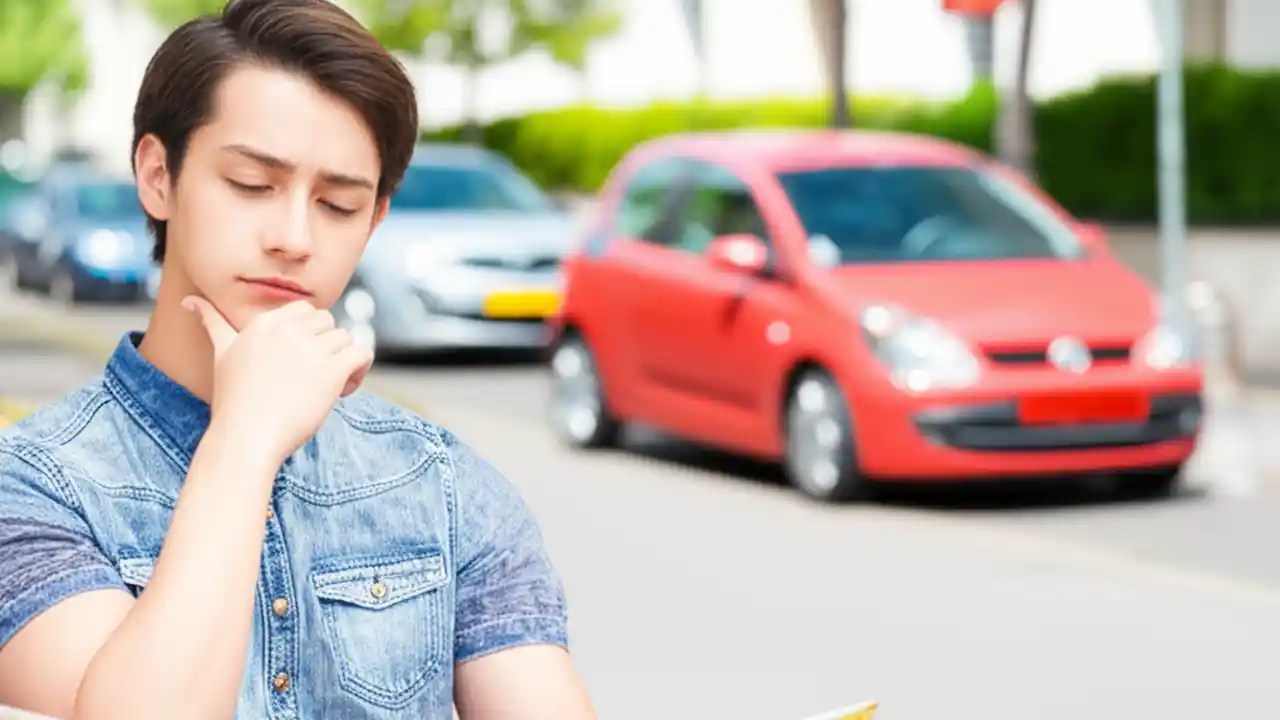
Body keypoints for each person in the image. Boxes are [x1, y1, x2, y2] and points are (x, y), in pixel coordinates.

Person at [0, 1, 594, 718]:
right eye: (252, 185)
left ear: (375, 219)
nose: (294, 237)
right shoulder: (34, 486)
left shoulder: (442, 487)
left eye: (339, 205)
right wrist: (244, 441)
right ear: (158, 175)